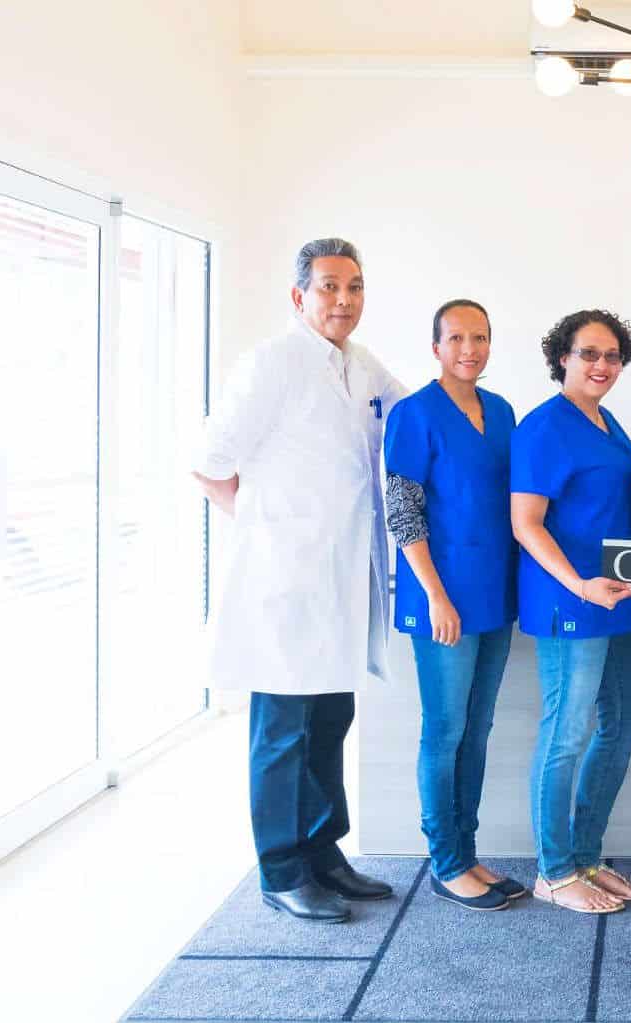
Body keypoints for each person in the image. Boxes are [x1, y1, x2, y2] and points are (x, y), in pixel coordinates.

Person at [191, 237, 405, 922]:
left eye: (355, 287)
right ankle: (282, 870)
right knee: (283, 727)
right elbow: (208, 461)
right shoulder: (271, 364)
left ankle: (323, 851)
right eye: (329, 288)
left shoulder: (361, 364)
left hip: (343, 577)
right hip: (284, 579)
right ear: (299, 296)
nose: (344, 301)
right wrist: (264, 529)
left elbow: (415, 418)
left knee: (329, 719)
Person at [384, 299, 524, 912]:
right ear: (436, 347)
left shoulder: (503, 412)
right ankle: (445, 862)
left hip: (494, 595)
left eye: (481, 337)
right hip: (441, 598)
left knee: (478, 729)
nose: (471, 348)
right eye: (457, 338)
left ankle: (466, 853)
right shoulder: (414, 415)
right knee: (444, 729)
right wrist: (437, 595)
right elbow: (403, 511)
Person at [510, 309, 631, 915]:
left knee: (626, 725)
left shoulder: (608, 421)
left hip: (618, 601)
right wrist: (579, 584)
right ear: (561, 358)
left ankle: (587, 855)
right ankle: (553, 869)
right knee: (566, 734)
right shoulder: (544, 428)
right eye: (589, 353)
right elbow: (526, 524)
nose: (602, 365)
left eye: (613, 355)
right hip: (571, 602)